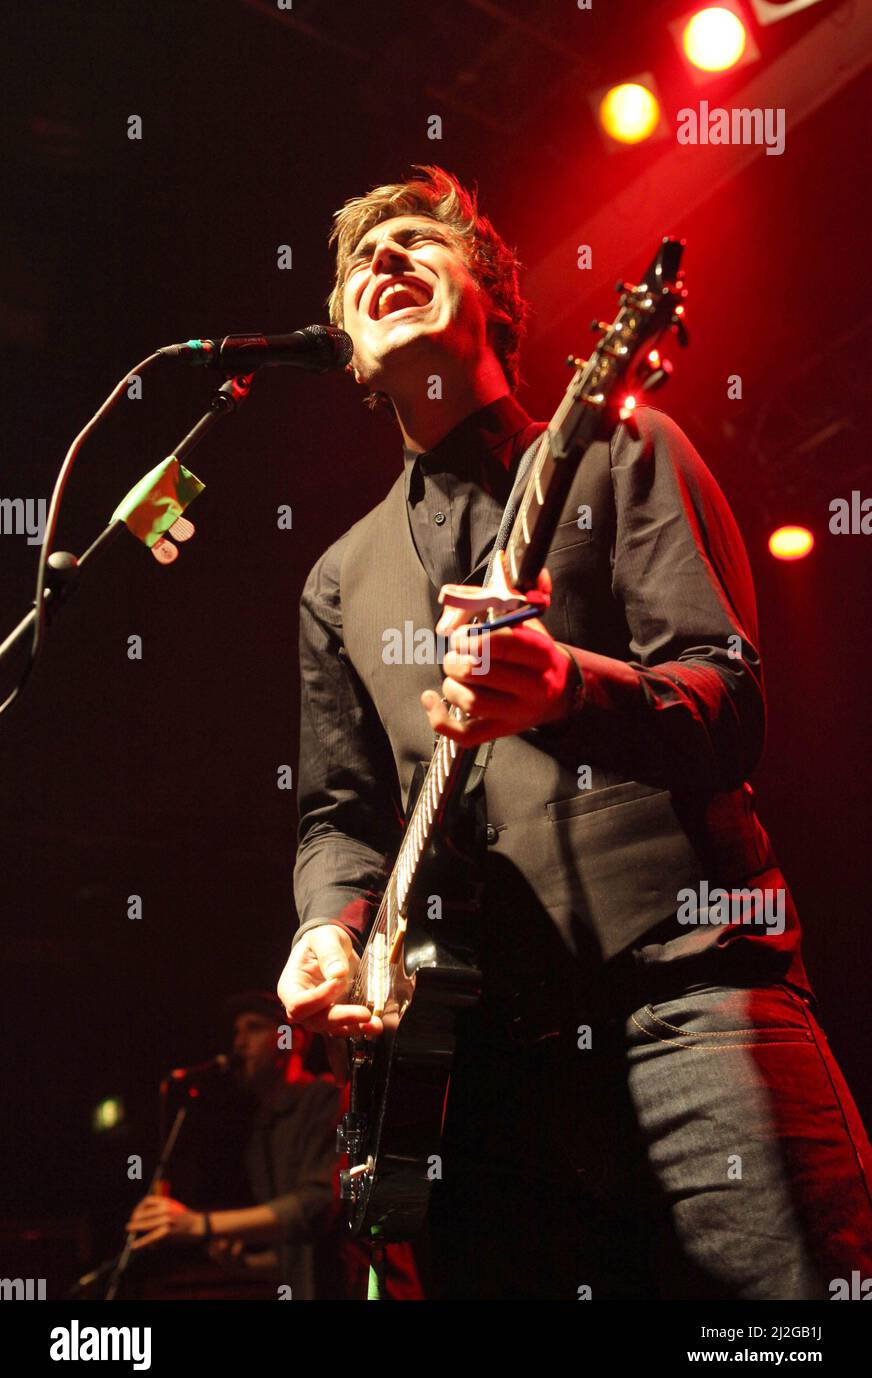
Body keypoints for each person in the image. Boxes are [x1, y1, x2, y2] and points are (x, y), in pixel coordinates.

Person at [278, 164, 872, 1299]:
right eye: (360, 261)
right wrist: (327, 928)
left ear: (496, 299)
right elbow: (339, 817)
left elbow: (729, 703)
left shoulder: (621, 447)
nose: (382, 262)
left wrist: (568, 691)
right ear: (347, 348)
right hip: (482, 1078)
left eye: (414, 241)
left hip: (689, 1003)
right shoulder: (336, 580)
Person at [127, 993, 344, 1299]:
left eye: (253, 1028)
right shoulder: (261, 1130)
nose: (239, 1044)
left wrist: (200, 1224)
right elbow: (298, 1253)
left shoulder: (326, 1098)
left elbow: (318, 1206)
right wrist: (246, 1264)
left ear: (289, 1040)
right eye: (236, 1032)